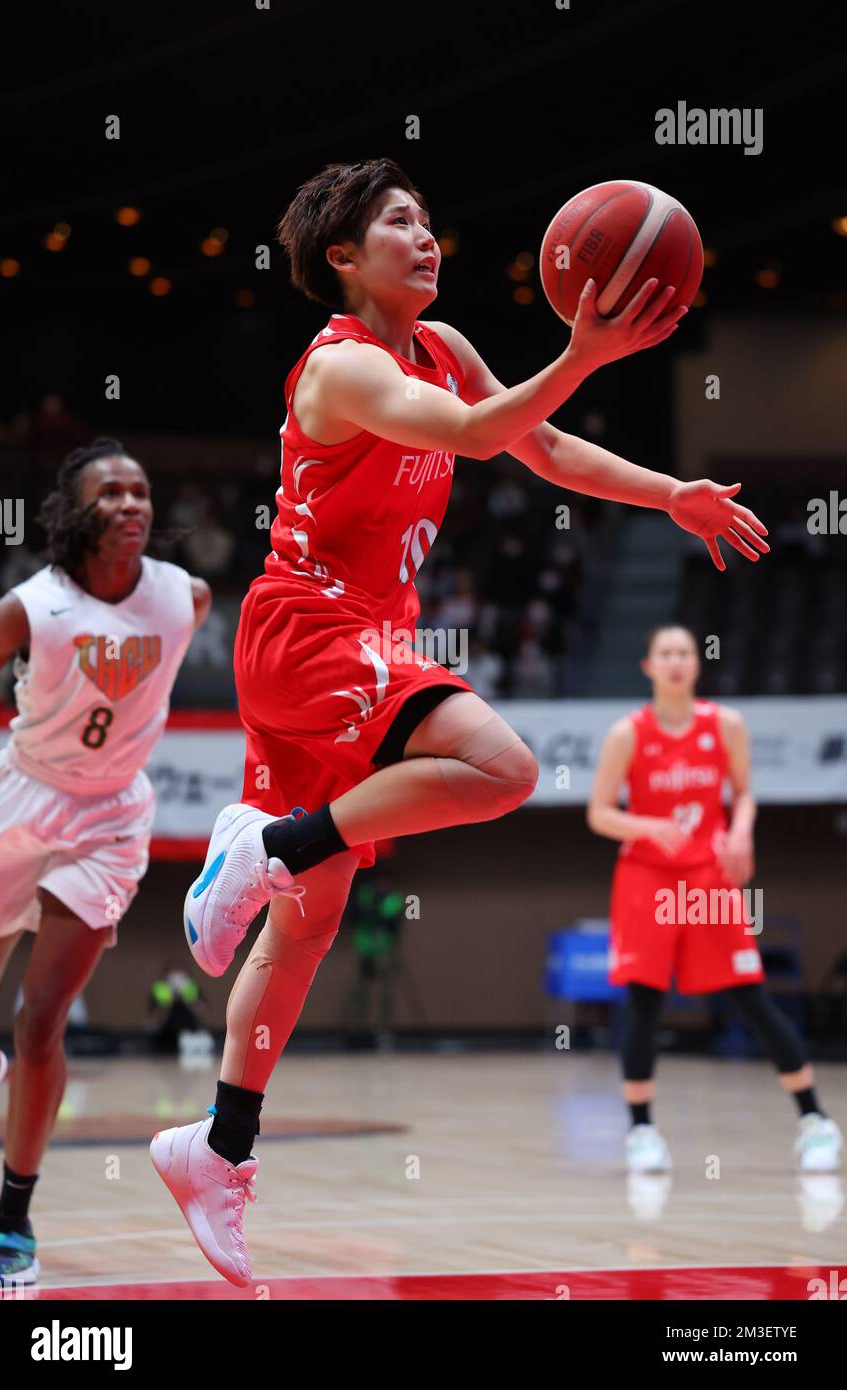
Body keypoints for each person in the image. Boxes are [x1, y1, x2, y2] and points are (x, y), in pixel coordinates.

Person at [151, 157, 769, 1286]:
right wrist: (581, 353)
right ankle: (264, 846)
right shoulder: (343, 366)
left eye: (430, 219)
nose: (426, 236)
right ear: (341, 257)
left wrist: (666, 492)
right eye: (398, 222)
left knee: (306, 926)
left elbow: (541, 448)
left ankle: (217, 1148)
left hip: (359, 637)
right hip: (310, 633)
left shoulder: (444, 349)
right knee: (500, 765)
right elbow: (484, 433)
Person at [0, 437, 211, 1285]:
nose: (132, 504)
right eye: (111, 493)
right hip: (20, 797)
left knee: (41, 1019)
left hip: (109, 814)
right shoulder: (29, 609)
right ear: (76, 515)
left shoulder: (183, 598)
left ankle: (11, 1221)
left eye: (142, 491)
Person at [586, 625, 842, 1175]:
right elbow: (599, 813)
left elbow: (744, 793)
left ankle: (815, 1121)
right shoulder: (626, 734)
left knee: (750, 995)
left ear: (697, 665)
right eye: (665, 653)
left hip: (708, 874)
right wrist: (650, 826)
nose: (676, 662)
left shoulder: (725, 724)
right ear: (648, 666)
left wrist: (743, 830)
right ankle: (641, 1132)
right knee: (644, 1001)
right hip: (647, 878)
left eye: (685, 653)